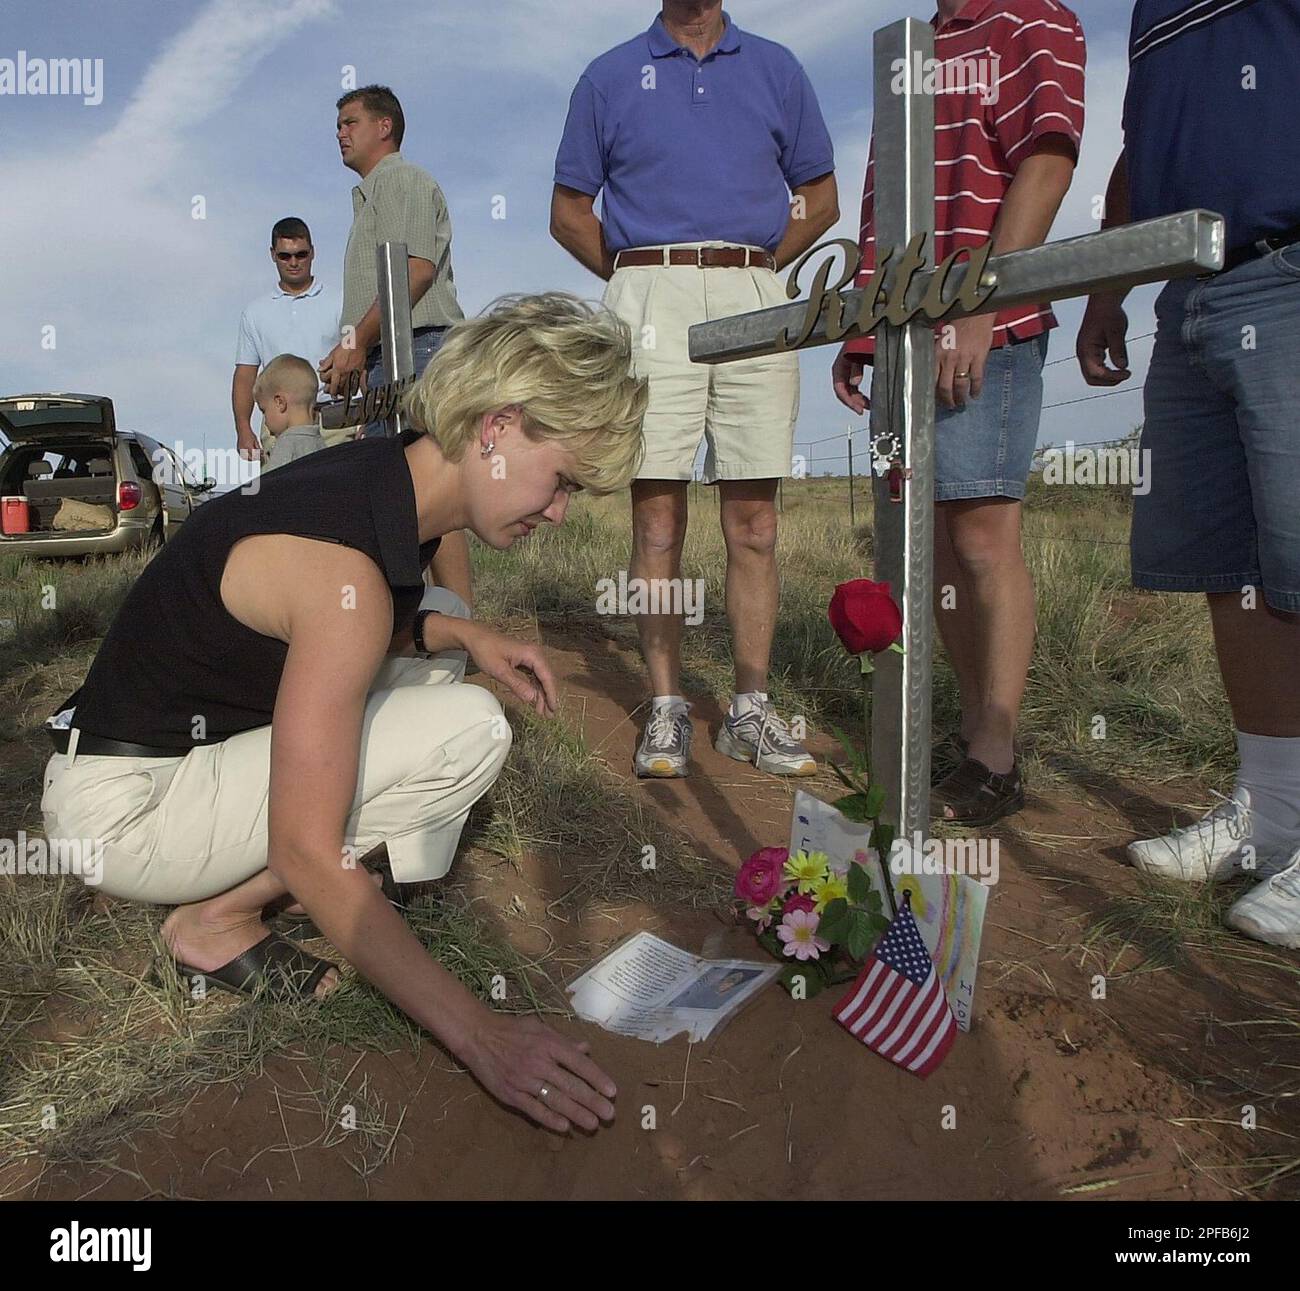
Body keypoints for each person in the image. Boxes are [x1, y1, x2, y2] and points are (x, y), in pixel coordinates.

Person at [41, 294, 648, 1133]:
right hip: (126, 809)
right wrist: (485, 1039)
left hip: (141, 756)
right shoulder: (348, 571)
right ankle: (215, 921)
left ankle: (249, 889)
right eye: (564, 482)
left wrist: (459, 630)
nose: (560, 512)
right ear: (498, 428)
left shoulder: (381, 478)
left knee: (437, 658)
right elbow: (305, 837)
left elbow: (347, 620)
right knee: (468, 727)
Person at [551, 2, 838, 780]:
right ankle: (669, 704)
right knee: (657, 520)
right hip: (649, 293)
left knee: (754, 520)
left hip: (753, 285)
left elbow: (821, 192)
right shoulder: (609, 75)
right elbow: (568, 210)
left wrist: (755, 267)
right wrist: (634, 280)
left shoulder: (776, 67)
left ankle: (749, 707)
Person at [1077, 0, 1300, 948]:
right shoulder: (1151, 11)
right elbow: (1139, 148)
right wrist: (1106, 290)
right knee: (1228, 565)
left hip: (1288, 269)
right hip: (1190, 289)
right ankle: (1275, 813)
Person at [833, 0, 1085, 827]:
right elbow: (884, 197)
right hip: (903, 332)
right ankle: (974, 733)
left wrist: (981, 303)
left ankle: (998, 749)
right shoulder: (914, 46)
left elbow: (1047, 157)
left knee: (982, 533)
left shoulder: (1031, 18)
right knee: (928, 540)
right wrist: (861, 325)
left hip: (986, 325)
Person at [320, 83, 474, 611]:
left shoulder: (402, 180)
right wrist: (353, 349)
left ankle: (459, 629)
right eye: (338, 124)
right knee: (399, 489)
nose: (339, 133)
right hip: (392, 352)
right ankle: (425, 621)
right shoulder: (368, 196)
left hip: (423, 347)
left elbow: (415, 270)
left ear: (384, 127)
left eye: (350, 122)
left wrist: (356, 340)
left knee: (430, 485)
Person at [233, 217, 344, 463]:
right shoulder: (255, 313)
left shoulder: (340, 302)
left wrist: (364, 418)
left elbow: (360, 357)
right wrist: (243, 427)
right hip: (278, 425)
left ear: (312, 253)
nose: (294, 262)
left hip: (335, 421)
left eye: (301, 254)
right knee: (278, 497)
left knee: (336, 497)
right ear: (273, 254)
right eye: (285, 256)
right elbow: (245, 374)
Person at [256, 355, 328, 473]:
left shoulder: (286, 446)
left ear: (280, 403)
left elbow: (272, 487)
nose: (265, 420)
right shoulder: (321, 444)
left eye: (264, 410)